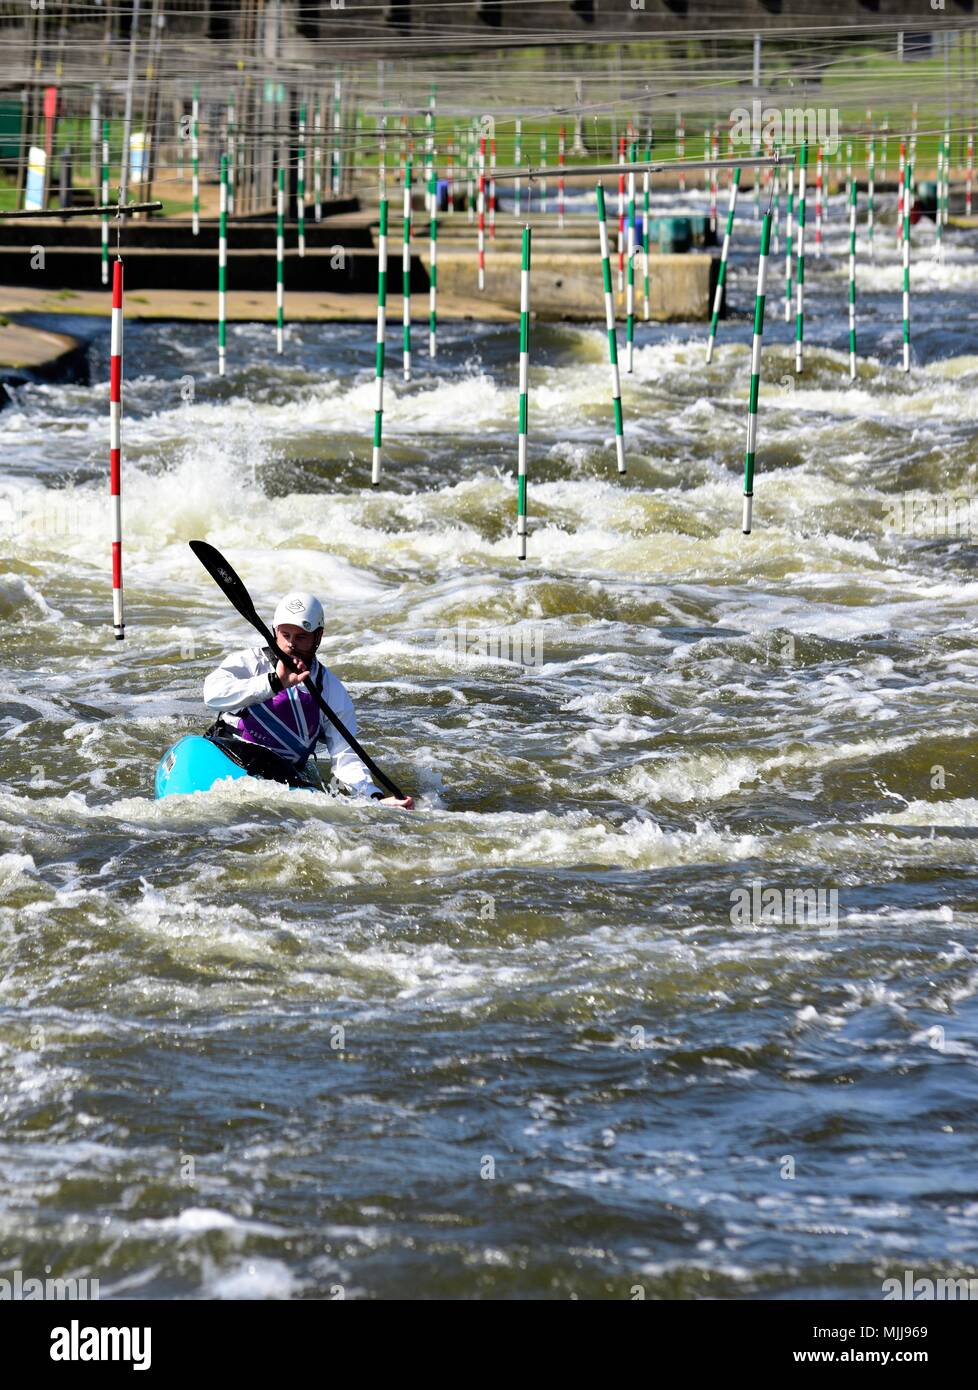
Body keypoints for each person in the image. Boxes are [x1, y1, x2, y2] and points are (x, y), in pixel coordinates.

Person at [202, 591, 413, 808]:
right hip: (227, 754)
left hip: (279, 777)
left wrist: (374, 800)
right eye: (285, 635)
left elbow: (345, 757)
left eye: (301, 637)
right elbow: (213, 695)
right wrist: (275, 682)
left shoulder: (331, 691)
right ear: (275, 632)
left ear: (318, 637)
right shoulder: (250, 662)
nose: (291, 644)